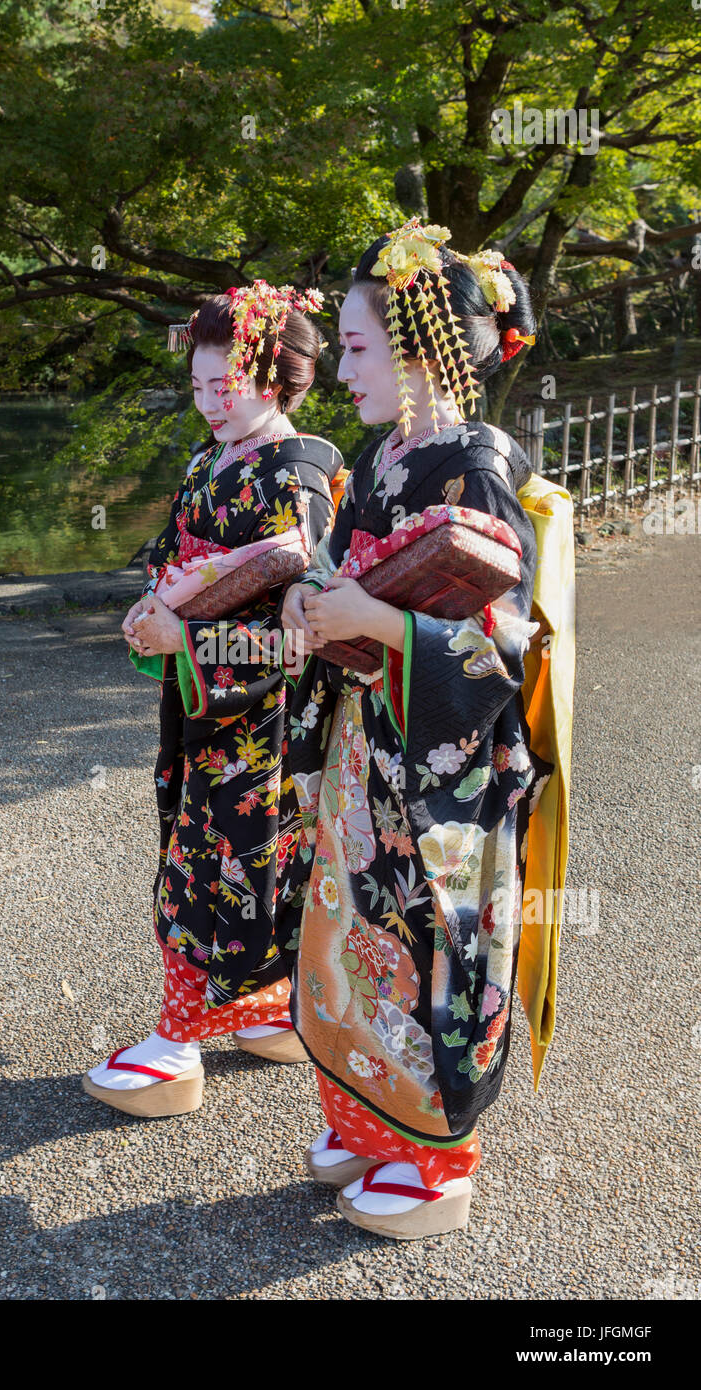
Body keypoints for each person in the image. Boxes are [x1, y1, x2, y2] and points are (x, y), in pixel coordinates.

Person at [280, 220, 574, 1237]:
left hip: (448, 764)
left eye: (355, 350)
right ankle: (372, 1115)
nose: (339, 372)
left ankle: (440, 1156)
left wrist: (382, 622)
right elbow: (336, 567)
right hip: (375, 741)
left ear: (414, 350)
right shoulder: (383, 456)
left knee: (434, 943)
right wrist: (308, 603)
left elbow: (505, 640)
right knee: (356, 934)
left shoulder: (477, 462)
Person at [83, 281, 345, 1117]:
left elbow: (308, 626)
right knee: (195, 843)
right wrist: (152, 598)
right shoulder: (211, 460)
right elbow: (174, 552)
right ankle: (263, 1010)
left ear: (278, 380)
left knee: (224, 861)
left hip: (264, 709)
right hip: (203, 701)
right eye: (196, 388)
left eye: (221, 390)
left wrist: (188, 637)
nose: (207, 406)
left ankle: (179, 1039)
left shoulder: (301, 472)